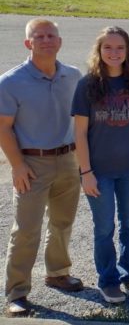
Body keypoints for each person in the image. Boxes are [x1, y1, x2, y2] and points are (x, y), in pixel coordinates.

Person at [0, 19, 84, 316]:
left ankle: (58, 273)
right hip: (32, 163)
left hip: (68, 159)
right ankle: (17, 291)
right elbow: (4, 128)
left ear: (59, 42)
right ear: (28, 43)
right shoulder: (10, 82)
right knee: (26, 230)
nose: (46, 40)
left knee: (62, 223)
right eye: (39, 36)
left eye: (51, 35)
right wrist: (18, 166)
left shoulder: (73, 76)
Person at [71, 27, 129, 303]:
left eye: (120, 48)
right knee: (104, 227)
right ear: (99, 51)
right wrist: (86, 172)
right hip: (99, 172)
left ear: (127, 52)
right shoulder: (87, 85)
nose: (114, 53)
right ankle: (108, 280)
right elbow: (80, 133)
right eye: (108, 47)